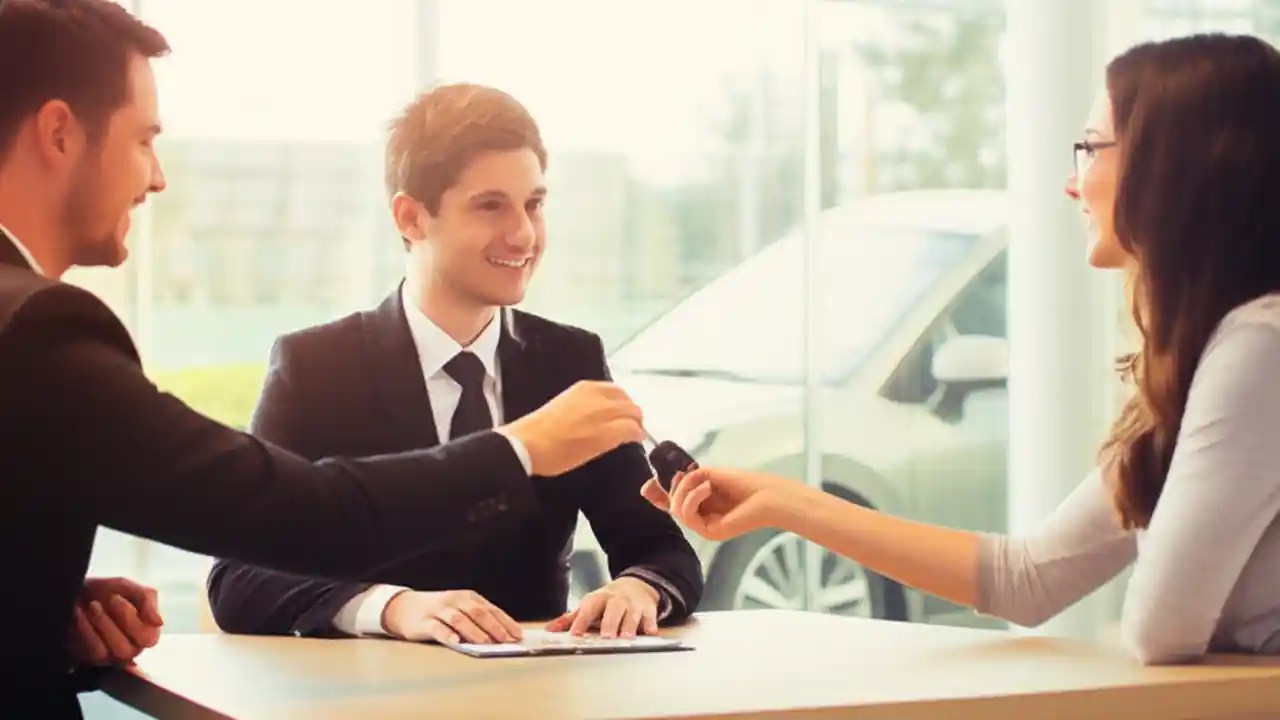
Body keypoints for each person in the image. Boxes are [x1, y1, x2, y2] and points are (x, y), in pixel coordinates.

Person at [0, 1, 642, 714]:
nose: (157, 179)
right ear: (59, 132)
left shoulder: (569, 355)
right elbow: (290, 512)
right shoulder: (40, 328)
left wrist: (36, 593)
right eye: (144, 140)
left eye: (535, 203)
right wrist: (518, 450)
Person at [644, 33, 1280, 666]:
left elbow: (1160, 628)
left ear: (1172, 167)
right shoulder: (1219, 350)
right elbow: (1028, 579)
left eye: (1089, 148)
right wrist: (785, 502)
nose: (1071, 183)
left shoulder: (1259, 347)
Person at [206, 84, 702, 645]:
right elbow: (238, 578)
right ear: (411, 217)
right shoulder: (317, 365)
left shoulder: (569, 361)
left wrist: (639, 588)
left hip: (531, 695)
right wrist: (390, 607)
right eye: (491, 206)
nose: (524, 234)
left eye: (534, 204)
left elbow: (658, 547)